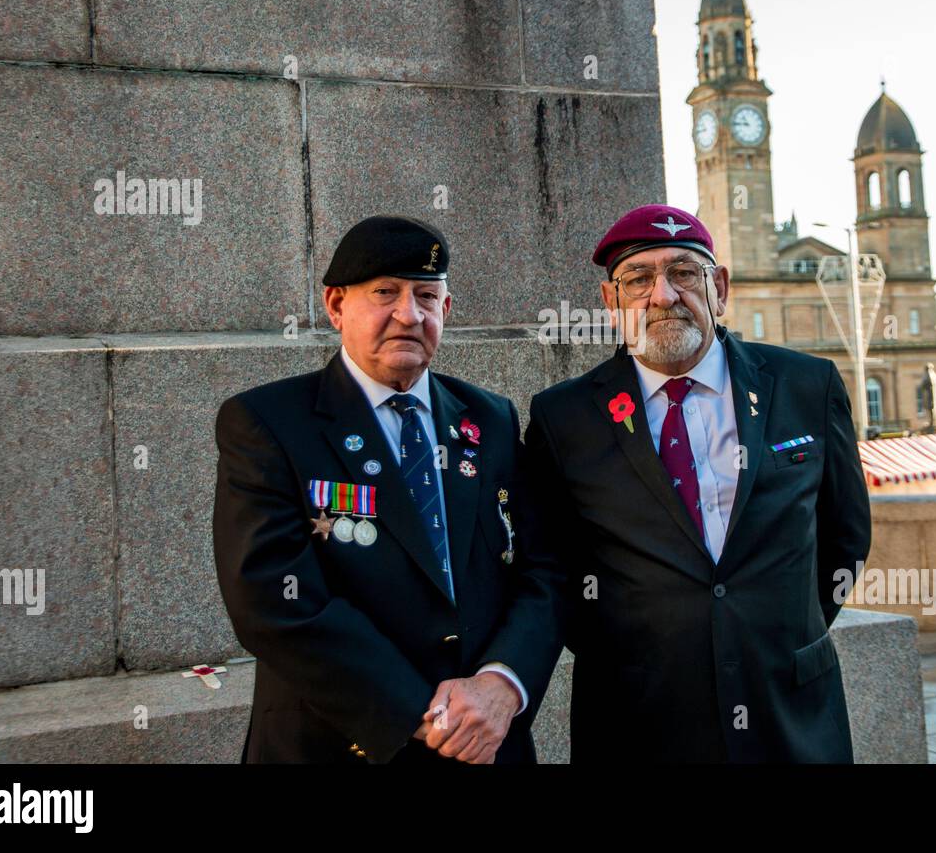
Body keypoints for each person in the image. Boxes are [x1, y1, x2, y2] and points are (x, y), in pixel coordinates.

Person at [522, 204, 872, 763]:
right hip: (638, 721)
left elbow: (845, 538)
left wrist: (778, 631)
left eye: (685, 272)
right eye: (638, 279)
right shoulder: (563, 418)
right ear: (612, 304)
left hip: (790, 712)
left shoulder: (807, 385)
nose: (663, 295)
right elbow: (552, 567)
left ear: (720, 288)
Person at [213, 216, 563, 764]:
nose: (408, 314)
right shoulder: (269, 423)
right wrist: (425, 716)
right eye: (385, 293)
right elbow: (272, 600)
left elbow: (544, 568)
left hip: (487, 744)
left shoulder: (490, 419)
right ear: (335, 306)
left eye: (426, 295)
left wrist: (502, 684)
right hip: (344, 742)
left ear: (445, 312)